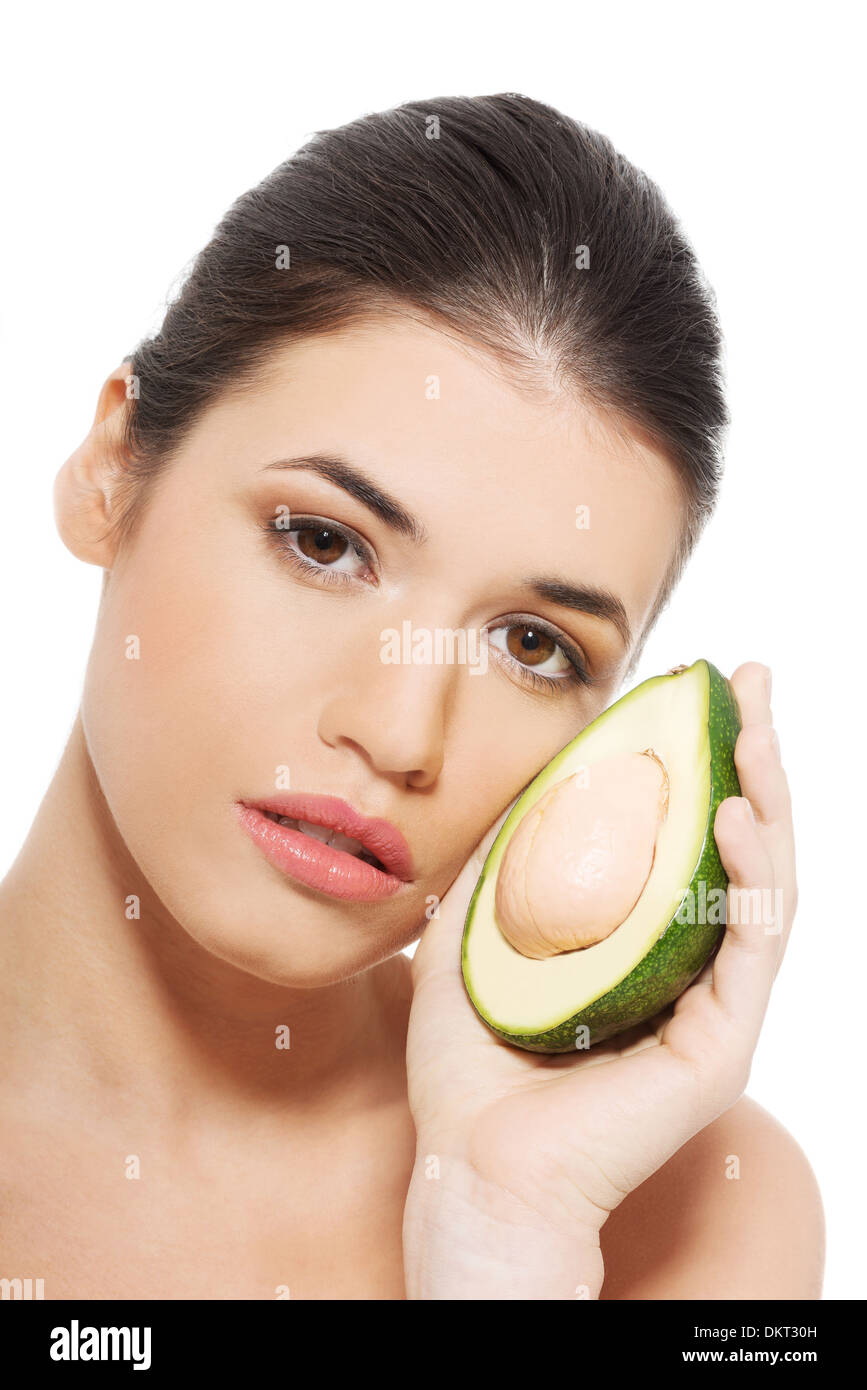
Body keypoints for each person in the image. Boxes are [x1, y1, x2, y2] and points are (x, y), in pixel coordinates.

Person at [0, 93, 823, 1299]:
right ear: (114, 469)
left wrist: (504, 1236)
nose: (398, 734)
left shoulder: (691, 1219)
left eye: (534, 646)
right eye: (324, 543)